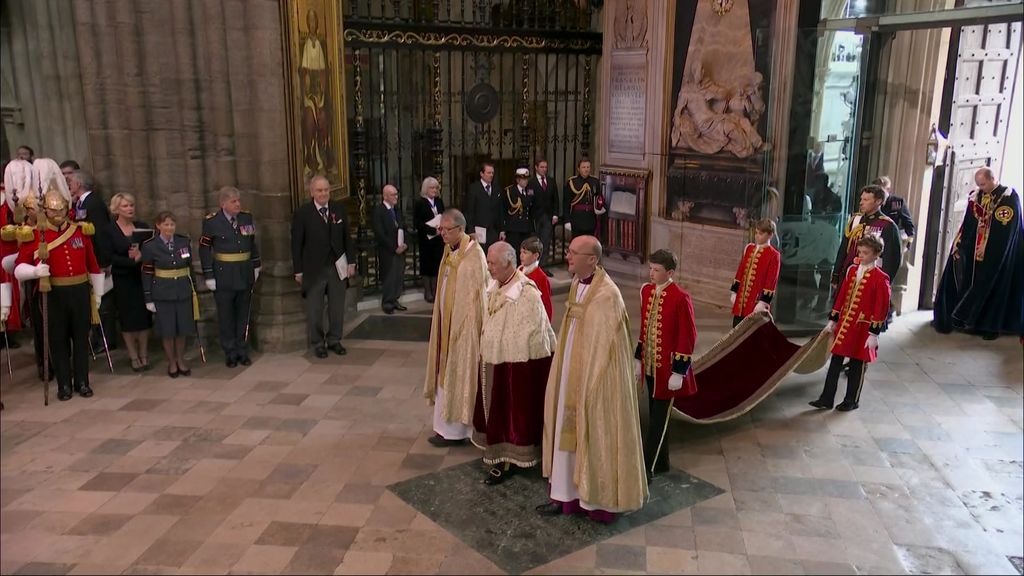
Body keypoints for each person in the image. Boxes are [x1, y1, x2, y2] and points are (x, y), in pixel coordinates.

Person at [537, 235, 647, 522]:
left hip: (595, 381)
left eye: (575, 253)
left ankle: (596, 502)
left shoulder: (607, 295)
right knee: (563, 426)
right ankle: (563, 495)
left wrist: (589, 381)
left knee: (592, 432)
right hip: (569, 373)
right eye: (570, 251)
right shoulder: (577, 283)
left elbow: (607, 345)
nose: (568, 257)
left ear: (593, 260)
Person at [473, 241, 556, 484]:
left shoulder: (526, 291)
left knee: (511, 413)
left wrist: (508, 349)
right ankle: (497, 452)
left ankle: (509, 459)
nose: (489, 268)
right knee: (493, 409)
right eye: (488, 262)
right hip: (492, 359)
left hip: (515, 366)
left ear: (508, 263)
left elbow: (534, 329)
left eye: (493, 263)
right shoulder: (495, 284)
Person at [14, 187, 105, 401]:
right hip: (53, 293)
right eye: (53, 212)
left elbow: (93, 264)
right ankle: (64, 384)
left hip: (80, 291)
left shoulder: (80, 231)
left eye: (61, 210)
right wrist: (35, 271)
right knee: (57, 340)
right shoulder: (35, 235)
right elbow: (19, 268)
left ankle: (82, 381)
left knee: (82, 339)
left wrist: (98, 295)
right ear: (45, 211)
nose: (58, 215)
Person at [424, 208, 488, 447]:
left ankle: (456, 431)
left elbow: (476, 297)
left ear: (460, 230)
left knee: (458, 373)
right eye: (441, 228)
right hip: (445, 323)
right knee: (443, 371)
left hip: (463, 329)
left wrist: (462, 328)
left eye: (446, 230)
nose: (442, 233)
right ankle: (443, 427)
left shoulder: (474, 256)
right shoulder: (449, 250)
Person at [933, 168, 1022, 339]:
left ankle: (990, 326)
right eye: (978, 184)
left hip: (996, 254)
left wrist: (988, 248)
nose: (981, 188)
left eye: (983, 184)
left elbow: (1006, 230)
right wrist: (960, 244)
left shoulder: (1009, 198)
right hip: (975, 254)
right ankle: (970, 321)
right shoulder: (977, 196)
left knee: (992, 287)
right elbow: (969, 222)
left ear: (993, 179)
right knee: (971, 283)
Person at [635, 249, 697, 483]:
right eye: (650, 268)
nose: (651, 273)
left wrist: (679, 371)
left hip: (667, 371)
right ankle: (661, 463)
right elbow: (645, 328)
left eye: (656, 270)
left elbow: (688, 336)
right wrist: (639, 359)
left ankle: (646, 468)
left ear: (669, 272)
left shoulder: (681, 297)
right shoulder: (647, 291)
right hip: (650, 367)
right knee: (654, 415)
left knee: (659, 420)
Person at [810, 235, 890, 412]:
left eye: (865, 253)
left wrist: (874, 334)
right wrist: (833, 319)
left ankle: (851, 400)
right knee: (835, 362)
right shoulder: (852, 271)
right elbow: (842, 295)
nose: (861, 256)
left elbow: (881, 308)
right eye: (859, 252)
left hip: (862, 329)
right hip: (845, 325)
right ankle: (826, 398)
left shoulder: (880, 278)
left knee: (857, 365)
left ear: (876, 254)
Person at [292, 175, 356, 358]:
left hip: (337, 268)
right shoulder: (303, 213)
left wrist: (351, 262)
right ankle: (318, 343)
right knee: (315, 309)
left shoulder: (339, 210)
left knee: (337, 307)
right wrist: (298, 270)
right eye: (319, 190)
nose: (323, 193)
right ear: (312, 192)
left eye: (326, 190)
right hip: (313, 270)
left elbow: (347, 238)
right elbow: (296, 244)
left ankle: (334, 339)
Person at [199, 186, 261, 367]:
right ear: (223, 203)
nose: (238, 204)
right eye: (233, 201)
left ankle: (242, 349)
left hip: (244, 272)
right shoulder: (212, 222)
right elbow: (204, 249)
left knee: (243, 314)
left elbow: (252, 243)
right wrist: (208, 275)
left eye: (238, 201)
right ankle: (230, 351)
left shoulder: (246, 218)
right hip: (224, 275)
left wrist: (256, 264)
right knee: (226, 316)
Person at [99, 192, 152, 371]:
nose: (130, 209)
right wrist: (131, 261)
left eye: (131, 205)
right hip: (123, 279)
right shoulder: (109, 230)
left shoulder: (142, 227)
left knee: (144, 317)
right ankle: (133, 355)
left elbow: (152, 248)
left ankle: (144, 353)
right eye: (125, 206)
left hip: (142, 277)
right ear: (116, 209)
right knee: (128, 319)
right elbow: (107, 257)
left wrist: (142, 256)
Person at [142, 211, 198, 378]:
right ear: (158, 226)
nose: (169, 228)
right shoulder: (150, 246)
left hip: (182, 291)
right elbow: (147, 272)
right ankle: (171, 362)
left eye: (172, 224)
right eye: (165, 224)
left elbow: (190, 267)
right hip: (162, 293)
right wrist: (148, 297)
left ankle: (181, 359)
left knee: (182, 329)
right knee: (167, 330)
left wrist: (193, 288)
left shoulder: (183, 241)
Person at [831, 185, 901, 297]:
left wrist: (883, 283)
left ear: (878, 201)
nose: (861, 202)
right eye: (861, 199)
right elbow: (844, 248)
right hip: (849, 275)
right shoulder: (855, 220)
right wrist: (836, 274)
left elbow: (892, 259)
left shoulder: (887, 225)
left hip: (870, 279)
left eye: (866, 200)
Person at [875, 176, 915, 317]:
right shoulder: (874, 202)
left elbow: (909, 226)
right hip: (875, 245)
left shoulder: (897, 203)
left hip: (893, 244)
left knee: (888, 276)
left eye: (882, 190)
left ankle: (888, 308)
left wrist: (906, 243)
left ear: (888, 189)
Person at [729, 219, 781, 327]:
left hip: (756, 303)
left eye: (761, 234)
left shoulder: (774, 255)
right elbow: (740, 271)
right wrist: (734, 292)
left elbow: (771, 281)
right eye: (756, 233)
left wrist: (763, 302)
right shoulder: (749, 248)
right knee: (736, 332)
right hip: (741, 302)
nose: (757, 236)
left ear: (770, 235)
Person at [372, 184, 407, 314]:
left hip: (400, 249)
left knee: (398, 275)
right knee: (389, 277)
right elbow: (380, 233)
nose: (396, 197)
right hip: (388, 251)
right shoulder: (379, 211)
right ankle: (387, 302)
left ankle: (395, 299)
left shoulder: (397, 210)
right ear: (385, 196)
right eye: (393, 195)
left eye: (396, 194)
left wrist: (404, 244)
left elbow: (403, 226)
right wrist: (394, 248)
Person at [414, 177, 445, 303]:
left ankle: (436, 290)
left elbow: (443, 216)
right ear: (425, 189)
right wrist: (432, 230)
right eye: (432, 188)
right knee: (427, 265)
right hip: (426, 239)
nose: (434, 190)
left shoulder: (439, 201)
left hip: (438, 240)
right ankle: (428, 291)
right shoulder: (420, 203)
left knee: (437, 264)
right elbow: (417, 223)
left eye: (436, 187)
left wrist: (441, 228)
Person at [463, 161, 502, 253]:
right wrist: (471, 230)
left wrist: (502, 229)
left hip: (493, 231)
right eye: (489, 173)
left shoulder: (497, 189)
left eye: (492, 173)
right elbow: (469, 211)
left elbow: (500, 211)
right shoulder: (474, 189)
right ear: (481, 173)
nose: (491, 175)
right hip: (479, 230)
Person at [528, 159, 558, 276]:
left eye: (545, 167)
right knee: (535, 243)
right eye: (541, 167)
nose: (544, 169)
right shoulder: (531, 182)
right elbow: (529, 201)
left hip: (547, 217)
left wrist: (555, 214)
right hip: (536, 217)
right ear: (536, 167)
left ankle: (543, 267)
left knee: (546, 242)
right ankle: (533, 268)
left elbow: (556, 199)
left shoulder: (551, 181)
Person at [500, 168, 535, 262]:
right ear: (518, 180)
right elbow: (503, 211)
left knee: (526, 252)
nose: (526, 181)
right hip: (514, 227)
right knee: (515, 252)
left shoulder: (530, 190)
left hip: (526, 227)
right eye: (524, 179)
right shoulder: (510, 191)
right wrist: (503, 229)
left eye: (527, 179)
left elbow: (531, 206)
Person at [564, 159, 605, 239]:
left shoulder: (595, 181)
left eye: (588, 167)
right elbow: (566, 203)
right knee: (577, 246)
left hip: (590, 219)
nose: (586, 169)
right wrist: (567, 221)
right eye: (583, 167)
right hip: (577, 219)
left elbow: (599, 199)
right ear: (578, 169)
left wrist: (600, 206)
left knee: (589, 245)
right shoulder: (572, 182)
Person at [519, 236, 552, 321]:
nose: (521, 255)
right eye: (521, 252)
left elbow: (546, 304)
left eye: (525, 253)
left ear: (536, 256)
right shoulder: (519, 270)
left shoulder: (541, 278)